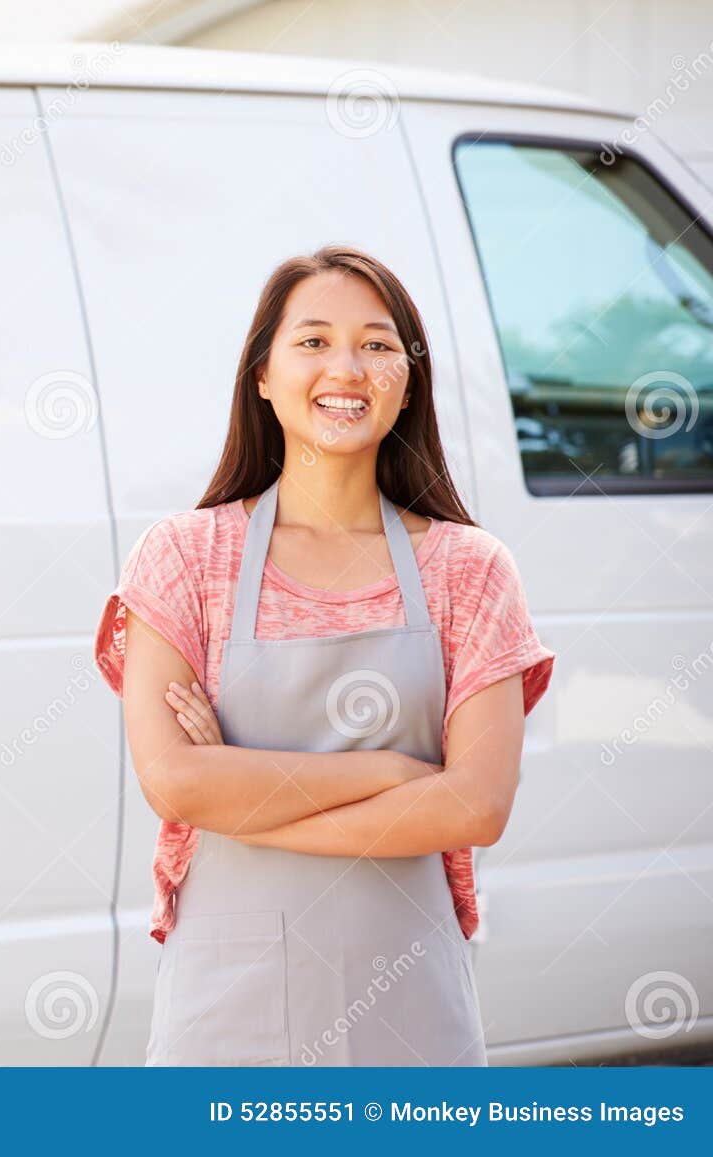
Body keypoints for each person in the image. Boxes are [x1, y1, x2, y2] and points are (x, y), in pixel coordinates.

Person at [93, 244, 555, 1066]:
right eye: (312, 340)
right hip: (227, 1024)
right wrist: (393, 772)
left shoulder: (470, 570)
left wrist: (246, 798)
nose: (347, 365)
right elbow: (175, 782)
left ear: (407, 379)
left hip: (411, 1020)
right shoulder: (185, 560)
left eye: (378, 344)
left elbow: (477, 807)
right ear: (262, 376)